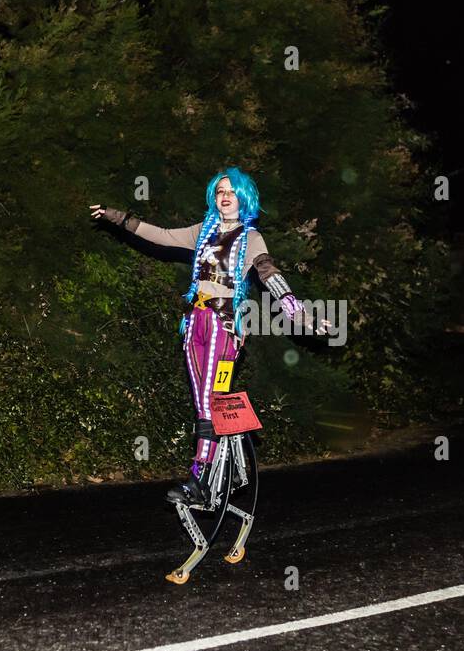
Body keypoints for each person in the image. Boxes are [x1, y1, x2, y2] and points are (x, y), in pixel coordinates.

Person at [91, 166, 322, 506]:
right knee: (202, 401)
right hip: (194, 320)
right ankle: (213, 467)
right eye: (220, 192)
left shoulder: (250, 237)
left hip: (222, 324)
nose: (225, 197)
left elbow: (268, 273)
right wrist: (117, 218)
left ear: (243, 198)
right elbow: (162, 236)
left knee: (208, 402)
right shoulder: (203, 231)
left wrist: (298, 311)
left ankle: (199, 476)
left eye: (231, 192)